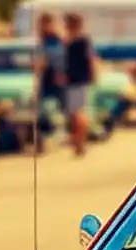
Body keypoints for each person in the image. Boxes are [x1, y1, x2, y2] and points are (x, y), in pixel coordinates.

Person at [63, 13, 96, 157]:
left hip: (79, 81)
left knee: (79, 114)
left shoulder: (82, 41)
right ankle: (78, 142)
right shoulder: (69, 41)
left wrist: (92, 75)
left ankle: (80, 142)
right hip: (72, 81)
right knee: (75, 114)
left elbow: (90, 59)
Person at [36, 13, 65, 154]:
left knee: (53, 111)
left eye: (46, 24)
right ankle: (42, 143)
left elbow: (59, 60)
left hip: (56, 81)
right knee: (42, 112)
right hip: (46, 81)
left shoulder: (57, 41)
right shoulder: (43, 41)